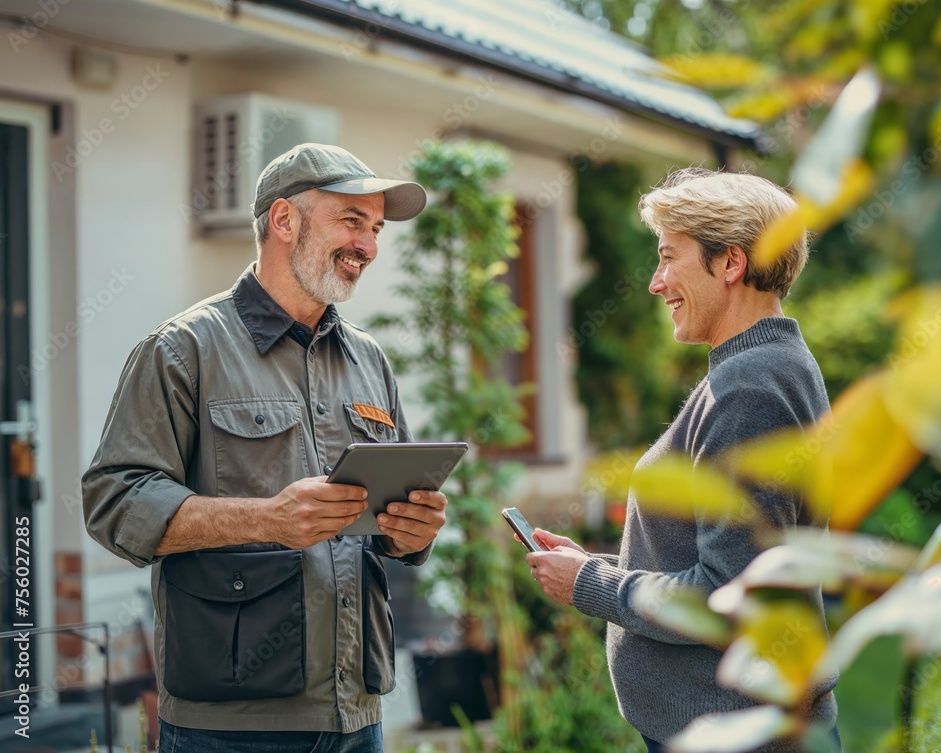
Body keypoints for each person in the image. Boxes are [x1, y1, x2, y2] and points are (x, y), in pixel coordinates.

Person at [82, 143, 446, 752]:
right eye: (352, 222)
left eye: (376, 229)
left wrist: (413, 531)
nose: (369, 247)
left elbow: (388, 519)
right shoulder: (182, 350)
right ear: (284, 221)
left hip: (358, 715)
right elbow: (115, 503)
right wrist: (268, 519)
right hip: (233, 725)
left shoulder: (368, 359)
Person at [526, 168, 839, 752]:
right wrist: (603, 566)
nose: (655, 281)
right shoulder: (772, 364)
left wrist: (590, 583)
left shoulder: (749, 389)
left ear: (730, 263)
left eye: (670, 258)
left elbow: (728, 600)